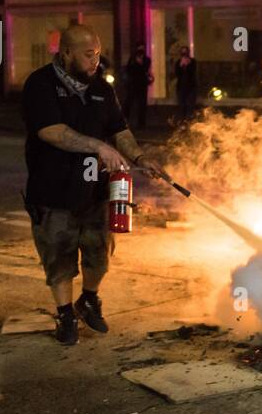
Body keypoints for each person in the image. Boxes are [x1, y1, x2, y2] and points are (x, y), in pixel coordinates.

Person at [21, 23, 164, 345]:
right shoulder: (40, 84)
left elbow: (120, 130)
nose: (94, 61)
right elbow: (50, 130)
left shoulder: (101, 88)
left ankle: (89, 299)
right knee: (59, 258)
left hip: (96, 191)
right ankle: (65, 314)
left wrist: (140, 158)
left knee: (100, 254)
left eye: (98, 54)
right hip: (53, 190)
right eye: (88, 55)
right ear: (66, 52)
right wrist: (99, 147)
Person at [124, 44, 153, 129]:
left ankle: (141, 123)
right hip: (133, 84)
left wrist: (140, 64)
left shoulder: (147, 59)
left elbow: (145, 69)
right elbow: (128, 70)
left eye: (142, 49)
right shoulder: (132, 59)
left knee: (142, 104)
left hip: (142, 84)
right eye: (139, 49)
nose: (141, 50)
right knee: (128, 103)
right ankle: (125, 121)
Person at [172, 44, 199, 124]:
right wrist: (181, 65)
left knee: (190, 106)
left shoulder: (193, 61)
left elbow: (193, 73)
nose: (184, 55)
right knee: (182, 106)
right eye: (183, 53)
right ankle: (182, 121)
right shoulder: (178, 62)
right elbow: (177, 74)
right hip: (181, 87)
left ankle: (189, 122)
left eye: (185, 53)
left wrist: (188, 65)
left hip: (191, 87)